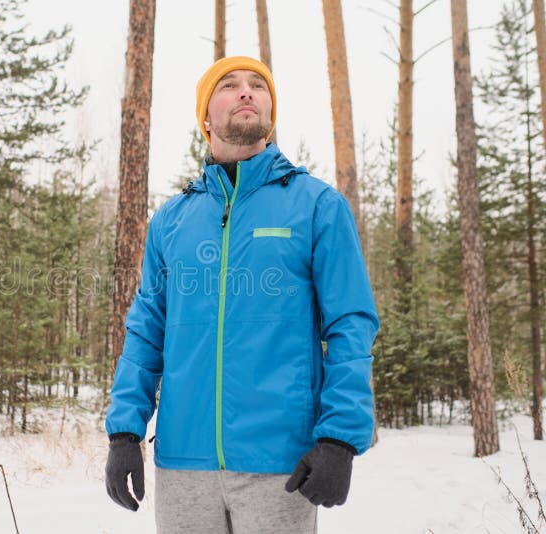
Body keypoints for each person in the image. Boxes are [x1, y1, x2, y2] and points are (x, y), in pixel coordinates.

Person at [104, 56, 379, 534]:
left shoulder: (317, 206)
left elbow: (351, 325)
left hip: (281, 463)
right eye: (229, 85)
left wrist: (339, 439)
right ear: (206, 118)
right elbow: (146, 332)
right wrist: (125, 431)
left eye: (259, 85)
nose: (248, 91)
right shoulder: (172, 221)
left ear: (271, 115)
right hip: (183, 461)